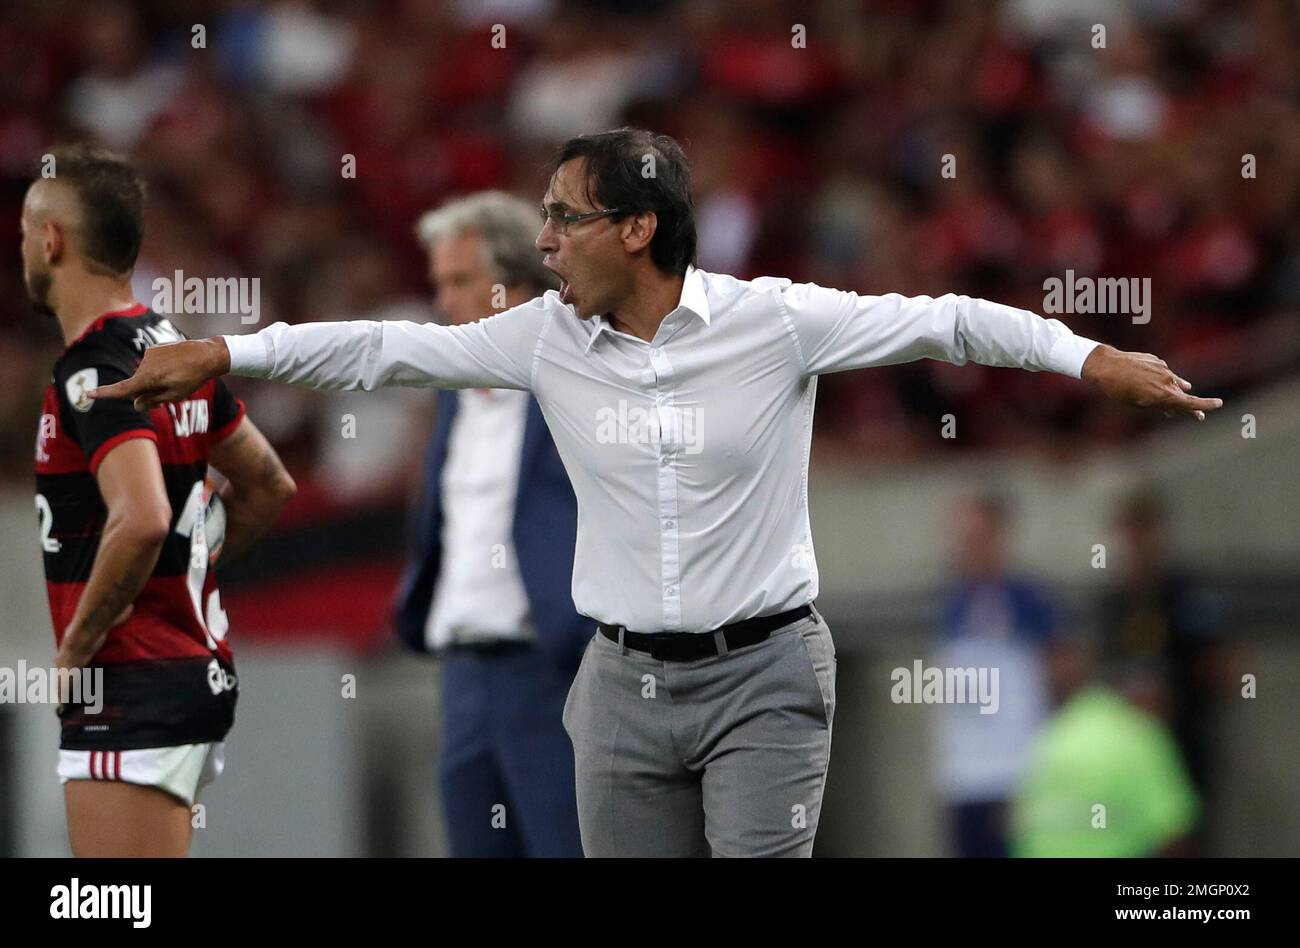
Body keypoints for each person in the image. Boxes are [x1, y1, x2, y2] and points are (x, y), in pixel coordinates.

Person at [91, 127, 1223, 857]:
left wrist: (1093, 359)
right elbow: (384, 350)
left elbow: (951, 318)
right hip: (620, 688)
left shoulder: (775, 320)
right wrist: (227, 355)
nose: (540, 243)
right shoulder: (543, 338)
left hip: (767, 678)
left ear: (637, 229)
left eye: (563, 219)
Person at [23, 144, 295, 856]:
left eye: (26, 230)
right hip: (184, 669)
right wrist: (190, 559)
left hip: (131, 679)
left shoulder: (96, 369)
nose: (22, 245)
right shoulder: (167, 346)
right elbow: (268, 484)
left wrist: (76, 647)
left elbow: (140, 517)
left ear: (51, 240)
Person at [395, 192, 585, 857]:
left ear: (518, 287)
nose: (444, 301)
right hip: (464, 674)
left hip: (551, 668)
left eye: (460, 281)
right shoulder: (452, 400)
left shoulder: (577, 386)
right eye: (439, 283)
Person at [933, 492, 1068, 858]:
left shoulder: (1027, 599)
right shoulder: (951, 601)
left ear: (999, 536)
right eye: (962, 537)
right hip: (962, 776)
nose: (968, 548)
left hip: (1015, 772)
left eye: (978, 537)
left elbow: (1061, 671)